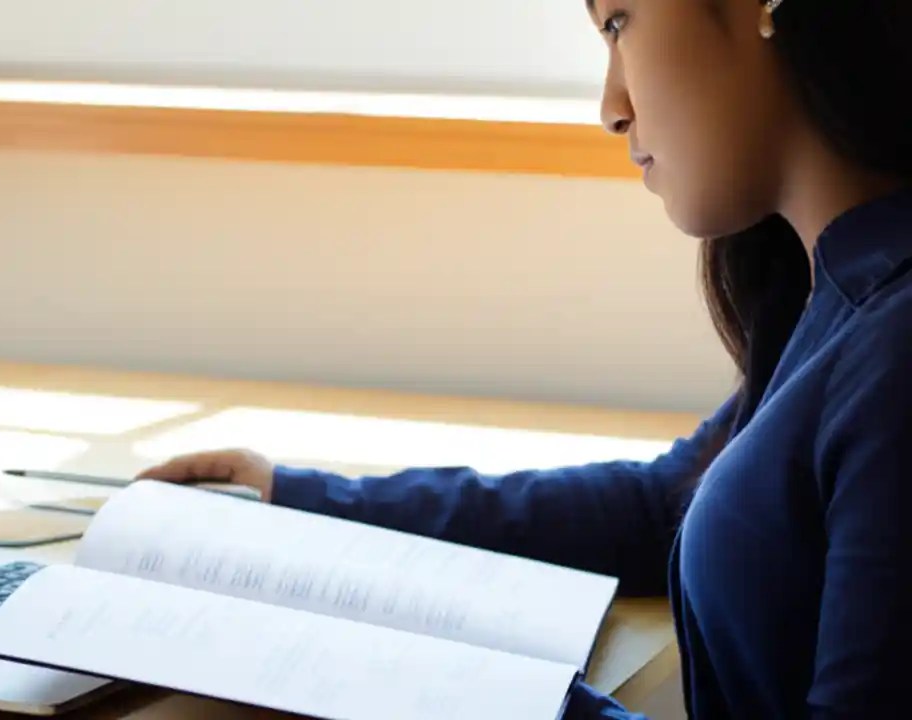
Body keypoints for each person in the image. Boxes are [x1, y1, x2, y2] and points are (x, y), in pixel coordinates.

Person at [136, 0, 912, 717]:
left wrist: (436, 686)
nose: (612, 107)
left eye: (617, 23)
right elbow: (660, 506)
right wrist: (304, 499)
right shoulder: (835, 296)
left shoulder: (892, 349)